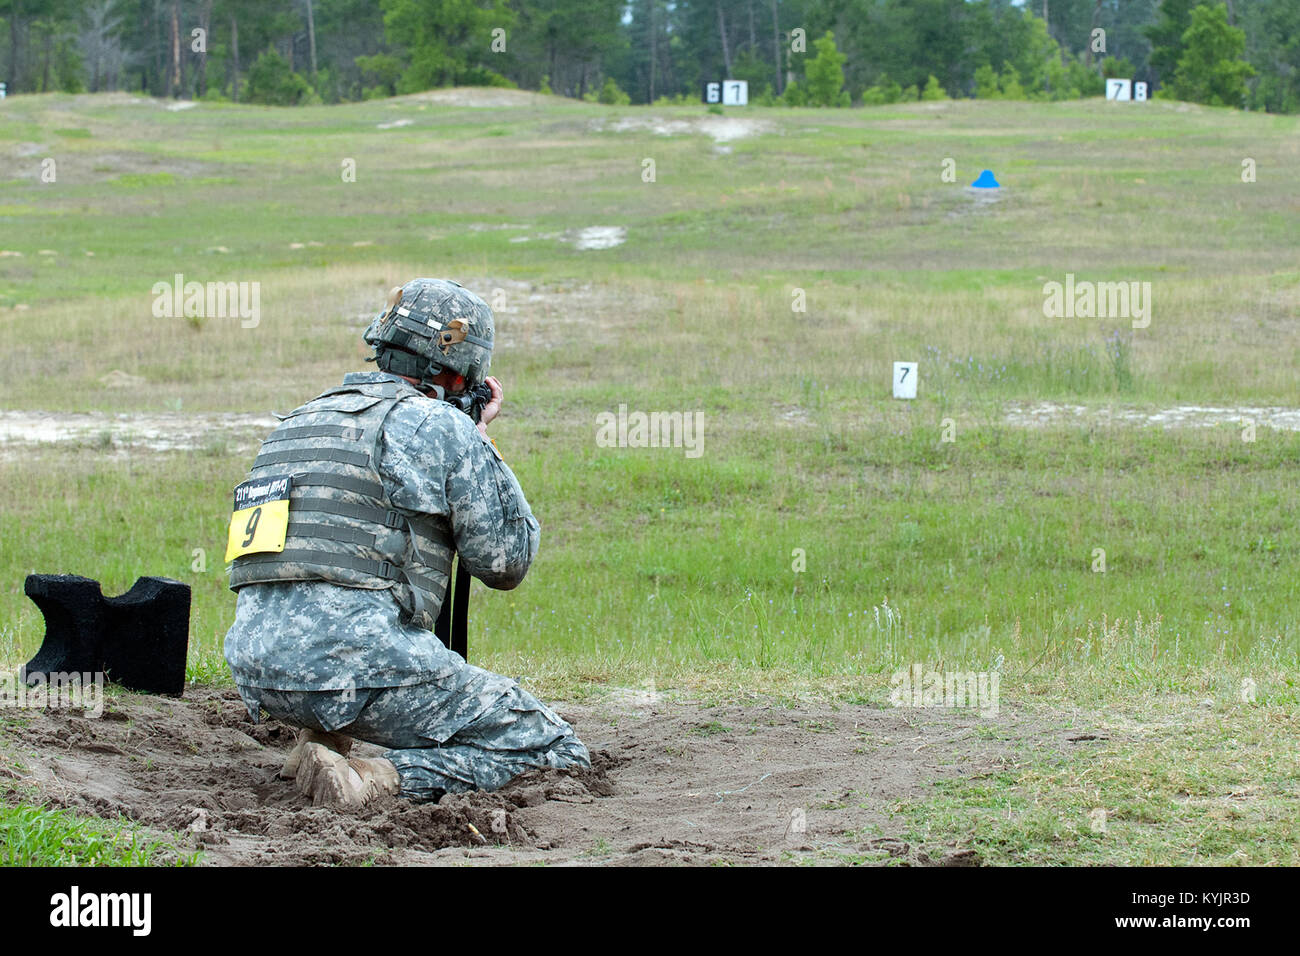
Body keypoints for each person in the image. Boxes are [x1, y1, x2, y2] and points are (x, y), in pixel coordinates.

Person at [222, 277, 589, 808]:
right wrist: (479, 439)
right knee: (553, 748)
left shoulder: (295, 422)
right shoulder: (441, 426)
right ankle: (370, 778)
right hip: (356, 670)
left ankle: (320, 739)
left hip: (258, 669)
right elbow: (507, 562)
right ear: (456, 369)